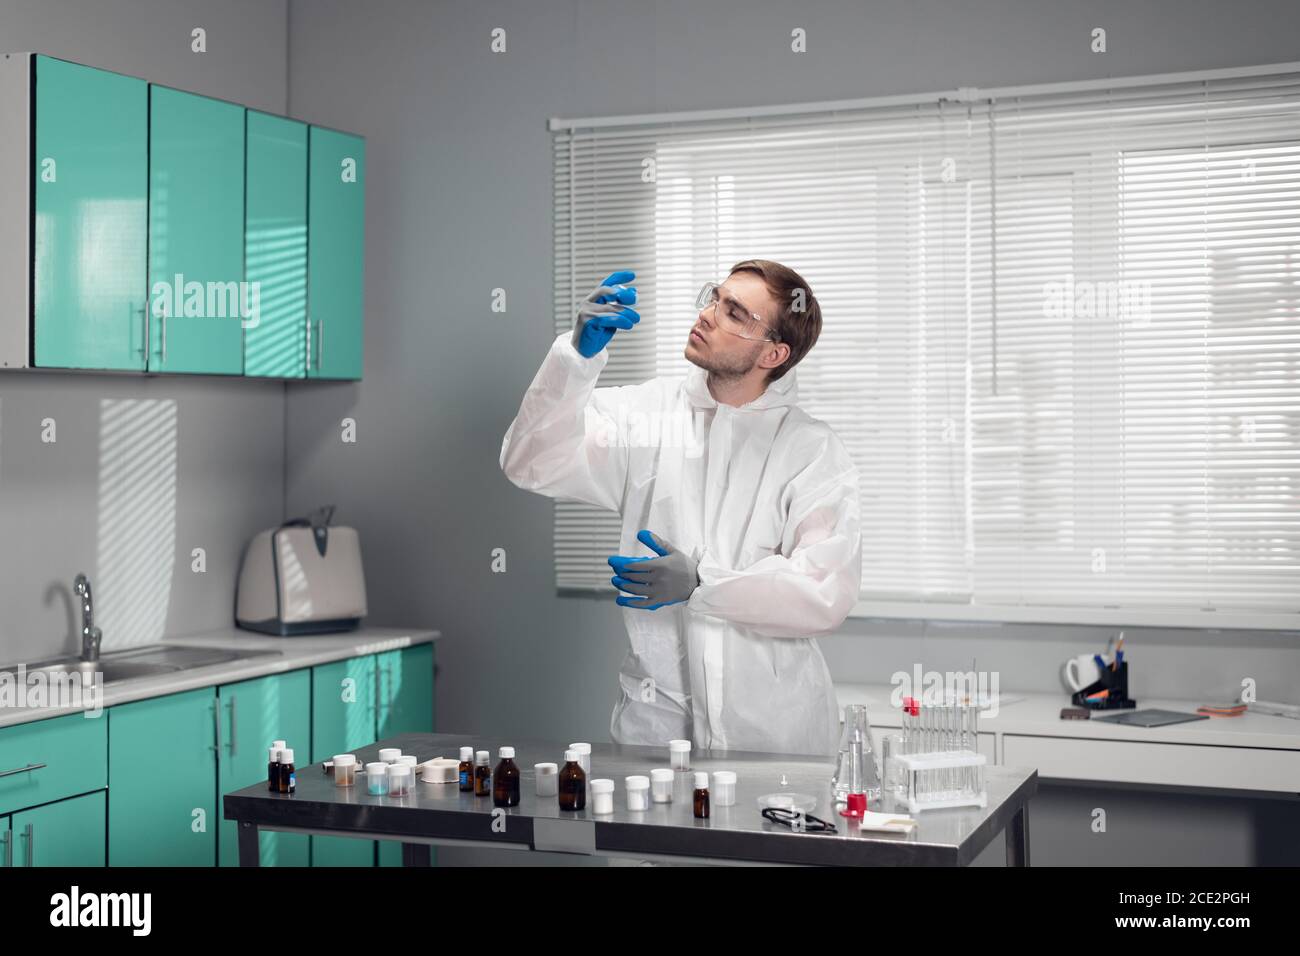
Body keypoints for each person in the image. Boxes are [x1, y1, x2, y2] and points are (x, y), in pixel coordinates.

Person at [500, 261, 861, 756]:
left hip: (776, 735)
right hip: (656, 724)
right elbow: (530, 463)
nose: (709, 315)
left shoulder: (810, 450)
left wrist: (703, 584)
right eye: (715, 298)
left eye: (735, 312)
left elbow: (824, 591)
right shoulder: (646, 416)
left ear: (774, 353)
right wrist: (574, 360)